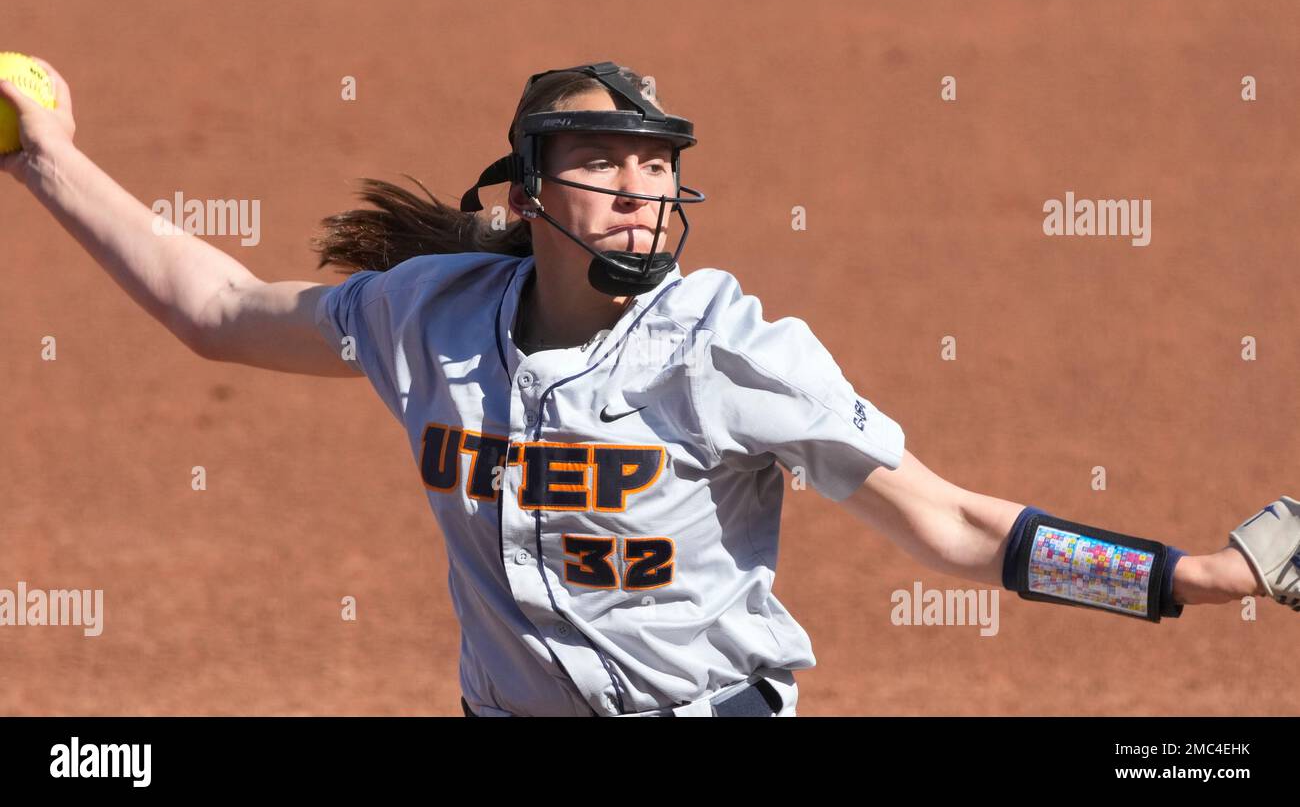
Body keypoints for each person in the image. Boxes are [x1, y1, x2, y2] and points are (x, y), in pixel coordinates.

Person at [3, 59, 1296, 719]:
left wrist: (1189, 578)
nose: (640, 189)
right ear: (526, 193)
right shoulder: (426, 316)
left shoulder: (729, 351)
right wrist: (43, 160)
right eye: (603, 164)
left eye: (656, 167)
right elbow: (214, 309)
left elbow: (947, 523)